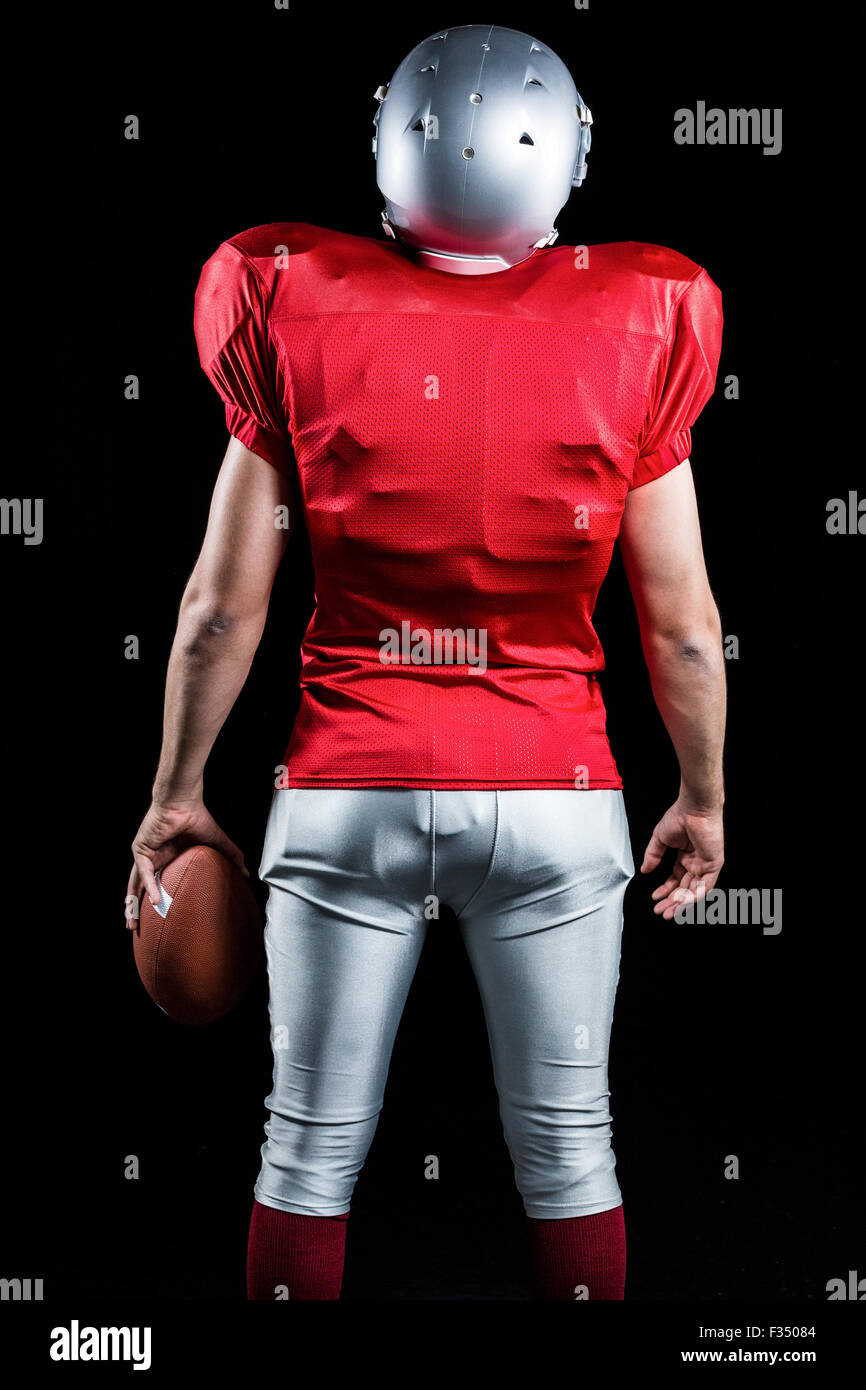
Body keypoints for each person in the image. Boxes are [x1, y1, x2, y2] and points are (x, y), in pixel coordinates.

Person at [127, 24, 726, 1301]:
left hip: (349, 788)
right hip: (555, 788)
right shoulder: (642, 316)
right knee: (569, 1155)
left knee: (305, 1154)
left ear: (388, 146)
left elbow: (221, 608)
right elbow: (678, 621)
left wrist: (177, 790)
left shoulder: (285, 293)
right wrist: (703, 795)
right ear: (563, 162)